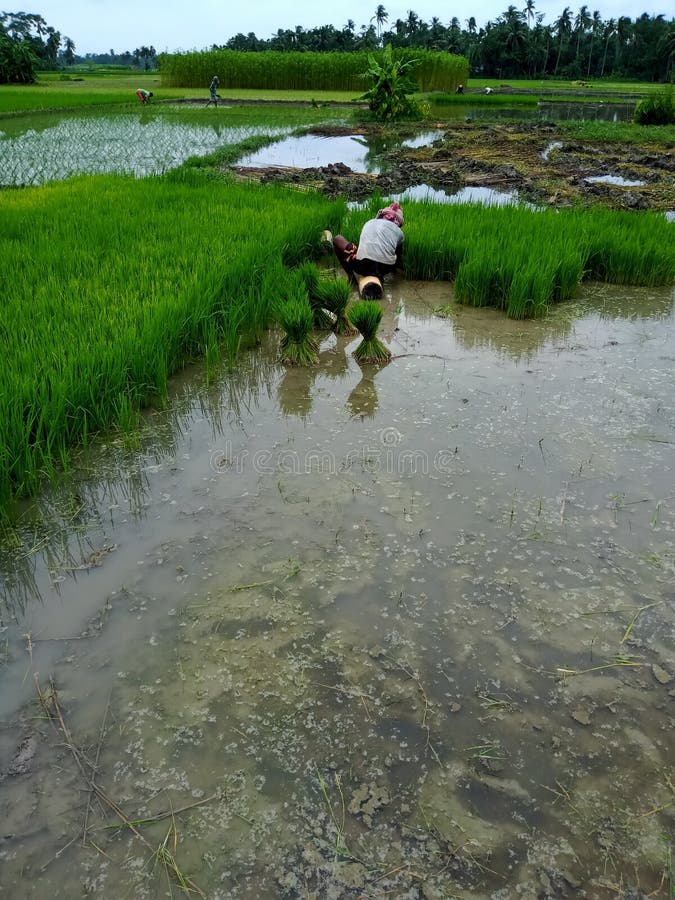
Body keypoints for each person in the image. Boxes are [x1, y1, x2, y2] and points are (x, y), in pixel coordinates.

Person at [333, 202, 404, 284]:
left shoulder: (370, 222)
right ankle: (381, 274)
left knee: (338, 238)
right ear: (398, 222)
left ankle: (351, 277)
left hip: (362, 267)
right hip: (385, 269)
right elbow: (398, 256)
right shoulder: (399, 232)